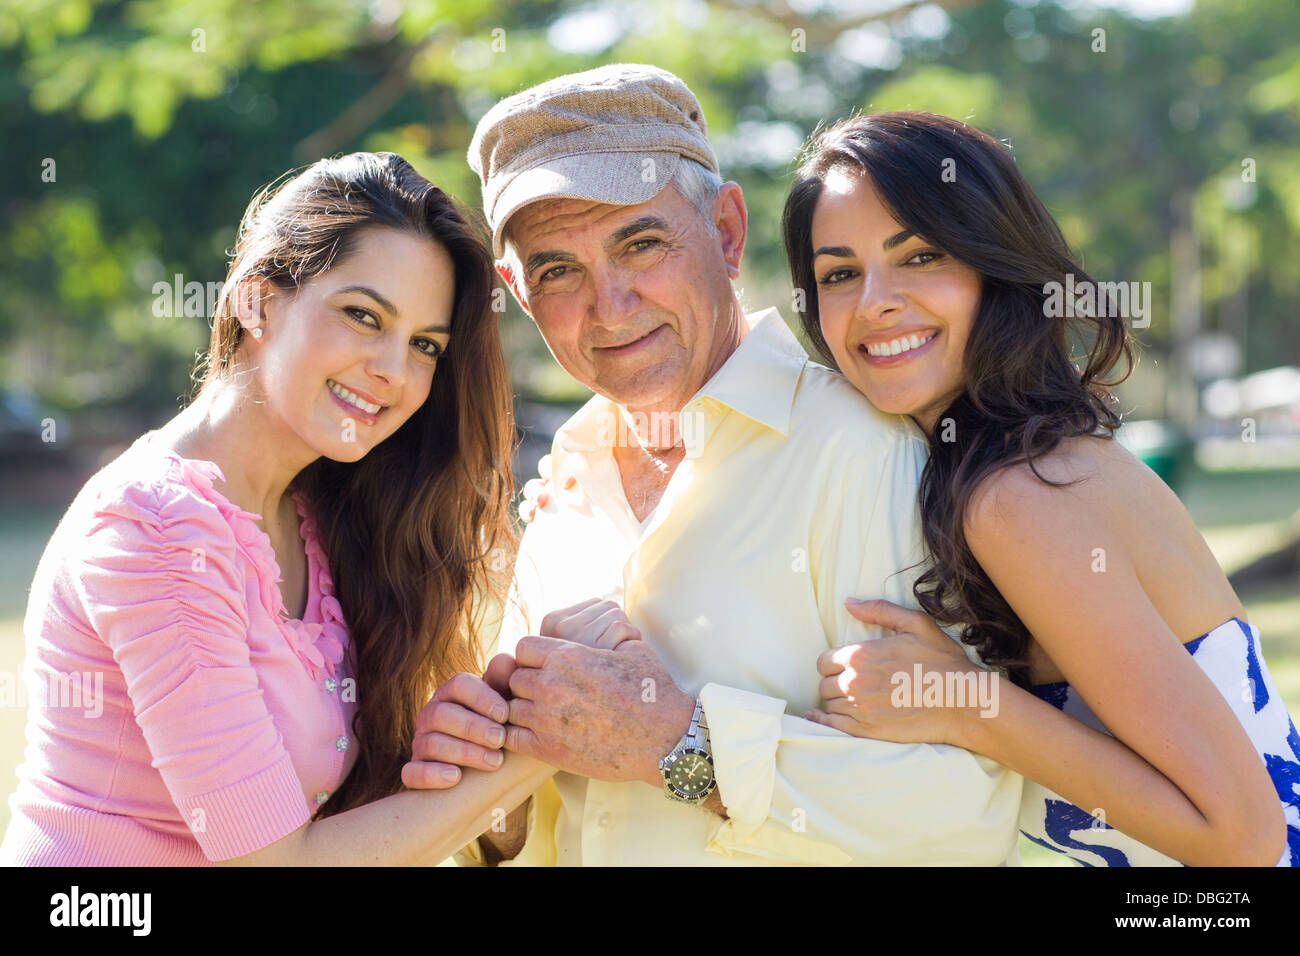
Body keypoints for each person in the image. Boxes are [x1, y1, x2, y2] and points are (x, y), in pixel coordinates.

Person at [439, 64, 1023, 867]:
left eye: (640, 243)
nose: (610, 306)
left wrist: (681, 747)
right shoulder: (562, 488)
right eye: (557, 270)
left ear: (725, 231)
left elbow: (967, 815)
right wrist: (491, 803)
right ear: (518, 288)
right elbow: (543, 814)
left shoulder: (859, 450)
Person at [0, 152, 553, 866]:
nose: (393, 370)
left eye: (423, 346)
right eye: (362, 315)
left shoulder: (314, 517)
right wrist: (547, 741)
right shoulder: (160, 527)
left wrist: (458, 748)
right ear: (255, 299)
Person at [783, 111, 1299, 866]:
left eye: (921, 255)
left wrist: (963, 701)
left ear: (996, 265)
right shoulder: (1036, 460)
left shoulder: (1022, 495)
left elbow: (1243, 841)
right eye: (838, 273)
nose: (874, 302)